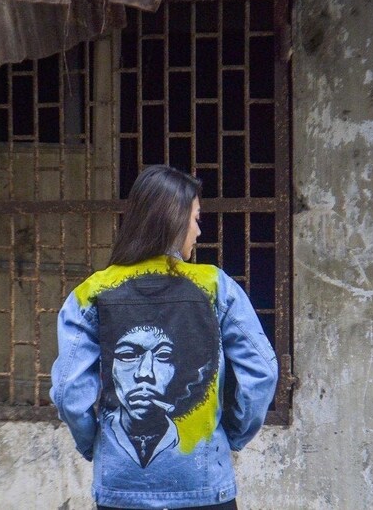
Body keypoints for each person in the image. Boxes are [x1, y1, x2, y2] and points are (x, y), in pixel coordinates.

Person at [50, 165, 278, 510]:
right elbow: (263, 372)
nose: (198, 231)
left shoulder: (91, 293)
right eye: (196, 218)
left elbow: (69, 392)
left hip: (120, 490)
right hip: (204, 485)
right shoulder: (216, 287)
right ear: (175, 219)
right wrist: (230, 436)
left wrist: (92, 443)